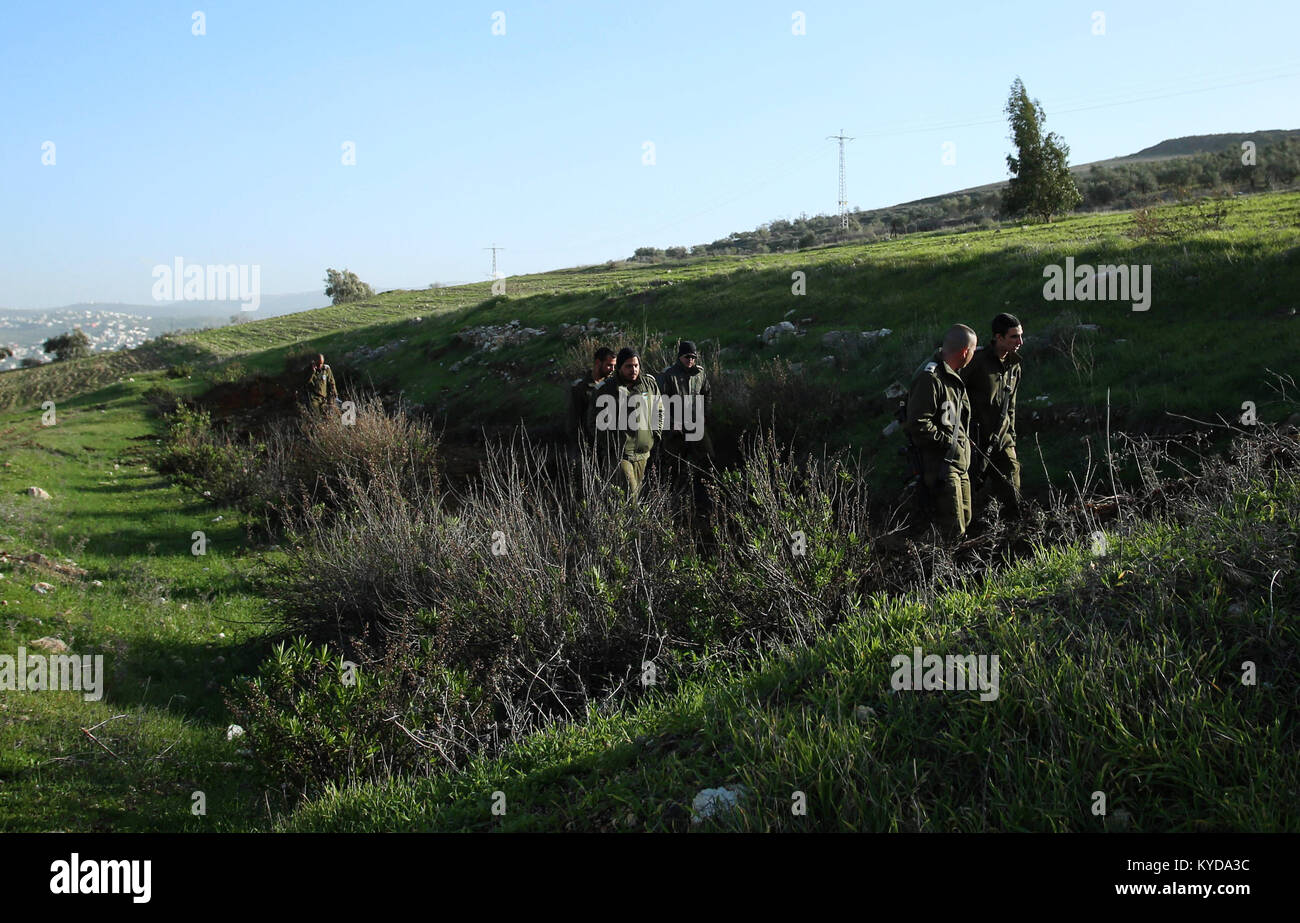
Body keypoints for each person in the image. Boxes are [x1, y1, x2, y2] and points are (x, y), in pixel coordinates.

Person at [903, 325, 977, 540]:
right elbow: (918, 424)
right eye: (973, 351)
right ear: (965, 352)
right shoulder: (931, 378)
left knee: (966, 520)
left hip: (958, 463)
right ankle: (942, 571)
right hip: (942, 467)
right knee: (952, 530)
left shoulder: (952, 376)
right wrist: (949, 443)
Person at [962, 313, 1024, 519]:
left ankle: (1014, 536)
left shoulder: (1014, 366)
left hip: (1003, 440)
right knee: (965, 496)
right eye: (1014, 337)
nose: (1020, 342)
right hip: (975, 441)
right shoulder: (976, 362)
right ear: (998, 337)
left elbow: (1011, 406)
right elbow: (954, 395)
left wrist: (1011, 439)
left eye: (1020, 336)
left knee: (1012, 494)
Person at [589, 346, 663, 497]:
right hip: (620, 455)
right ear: (620, 367)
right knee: (631, 495)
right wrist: (610, 444)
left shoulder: (648, 384)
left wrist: (656, 434)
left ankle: (619, 520)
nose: (633, 369)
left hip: (643, 453)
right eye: (629, 366)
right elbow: (594, 422)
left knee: (633, 496)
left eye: (636, 366)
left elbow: (659, 410)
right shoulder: (606, 389)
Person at [657, 340, 714, 501]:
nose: (691, 360)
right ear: (680, 357)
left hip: (695, 424)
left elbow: (707, 393)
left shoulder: (700, 374)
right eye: (687, 356)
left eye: (693, 357)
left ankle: (704, 499)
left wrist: (704, 415)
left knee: (707, 459)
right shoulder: (669, 375)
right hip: (675, 428)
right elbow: (660, 402)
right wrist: (670, 423)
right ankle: (671, 502)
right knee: (673, 467)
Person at [568, 346, 616, 451]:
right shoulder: (579, 388)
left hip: (609, 446)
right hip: (589, 446)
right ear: (598, 363)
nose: (612, 369)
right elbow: (574, 421)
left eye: (614, 366)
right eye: (609, 365)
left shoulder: (612, 386)